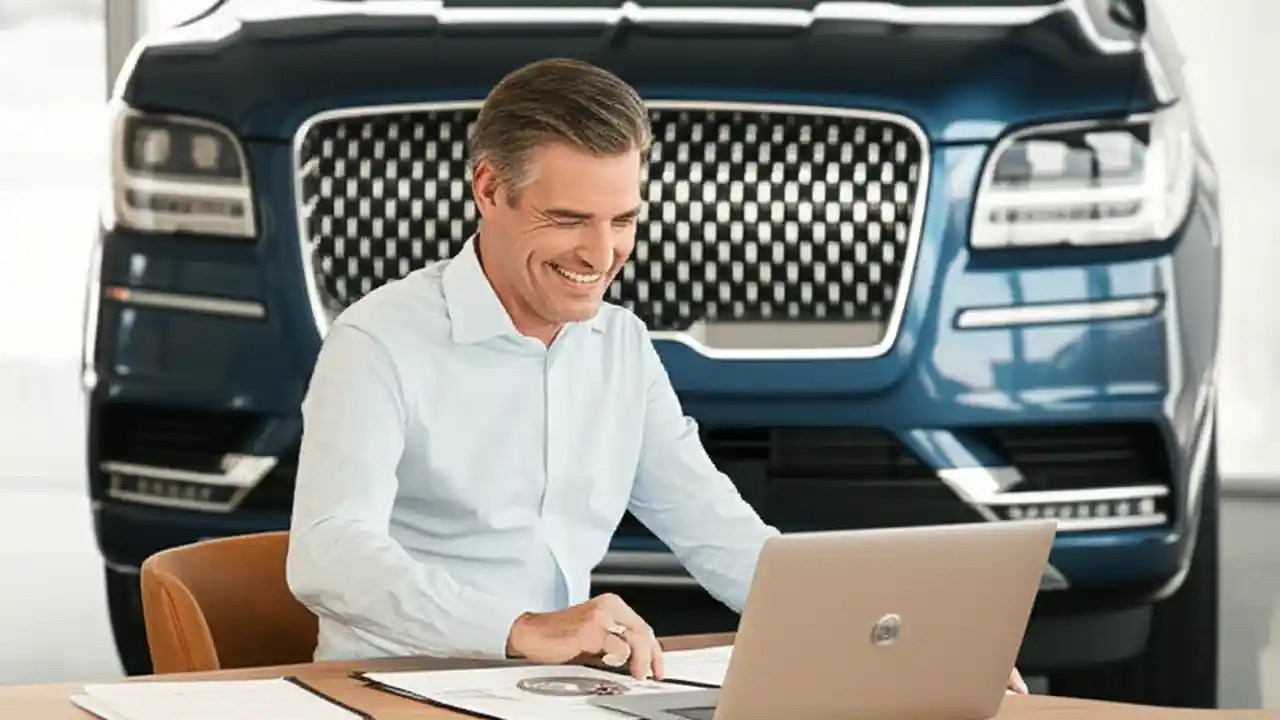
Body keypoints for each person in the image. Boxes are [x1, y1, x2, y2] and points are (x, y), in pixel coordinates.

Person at [285, 57, 1028, 695]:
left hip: (553, 696)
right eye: (568, 218)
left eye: (623, 221)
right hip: (390, 690)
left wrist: (905, 642)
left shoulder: (621, 345)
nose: (600, 254)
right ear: (488, 189)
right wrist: (521, 628)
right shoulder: (378, 341)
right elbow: (328, 553)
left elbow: (719, 532)